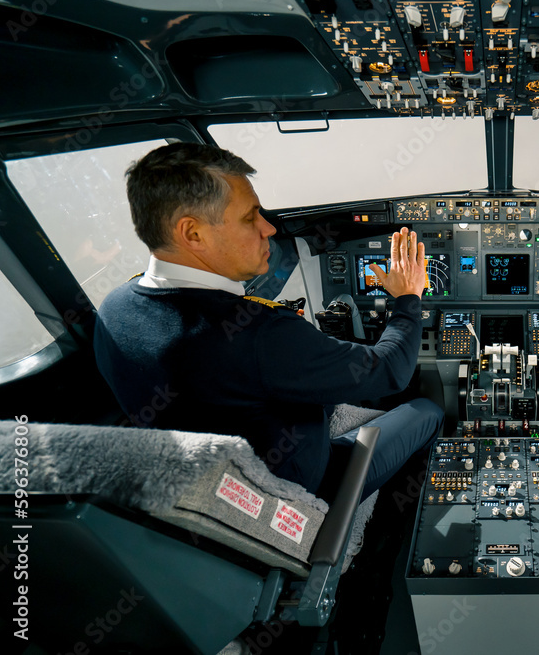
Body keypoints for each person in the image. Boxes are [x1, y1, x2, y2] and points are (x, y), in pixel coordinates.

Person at [93, 142, 442, 501]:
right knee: (427, 410)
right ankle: (397, 517)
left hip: (216, 488)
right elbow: (390, 371)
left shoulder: (114, 308)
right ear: (193, 233)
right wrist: (408, 296)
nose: (269, 229)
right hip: (298, 490)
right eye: (250, 217)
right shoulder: (258, 333)